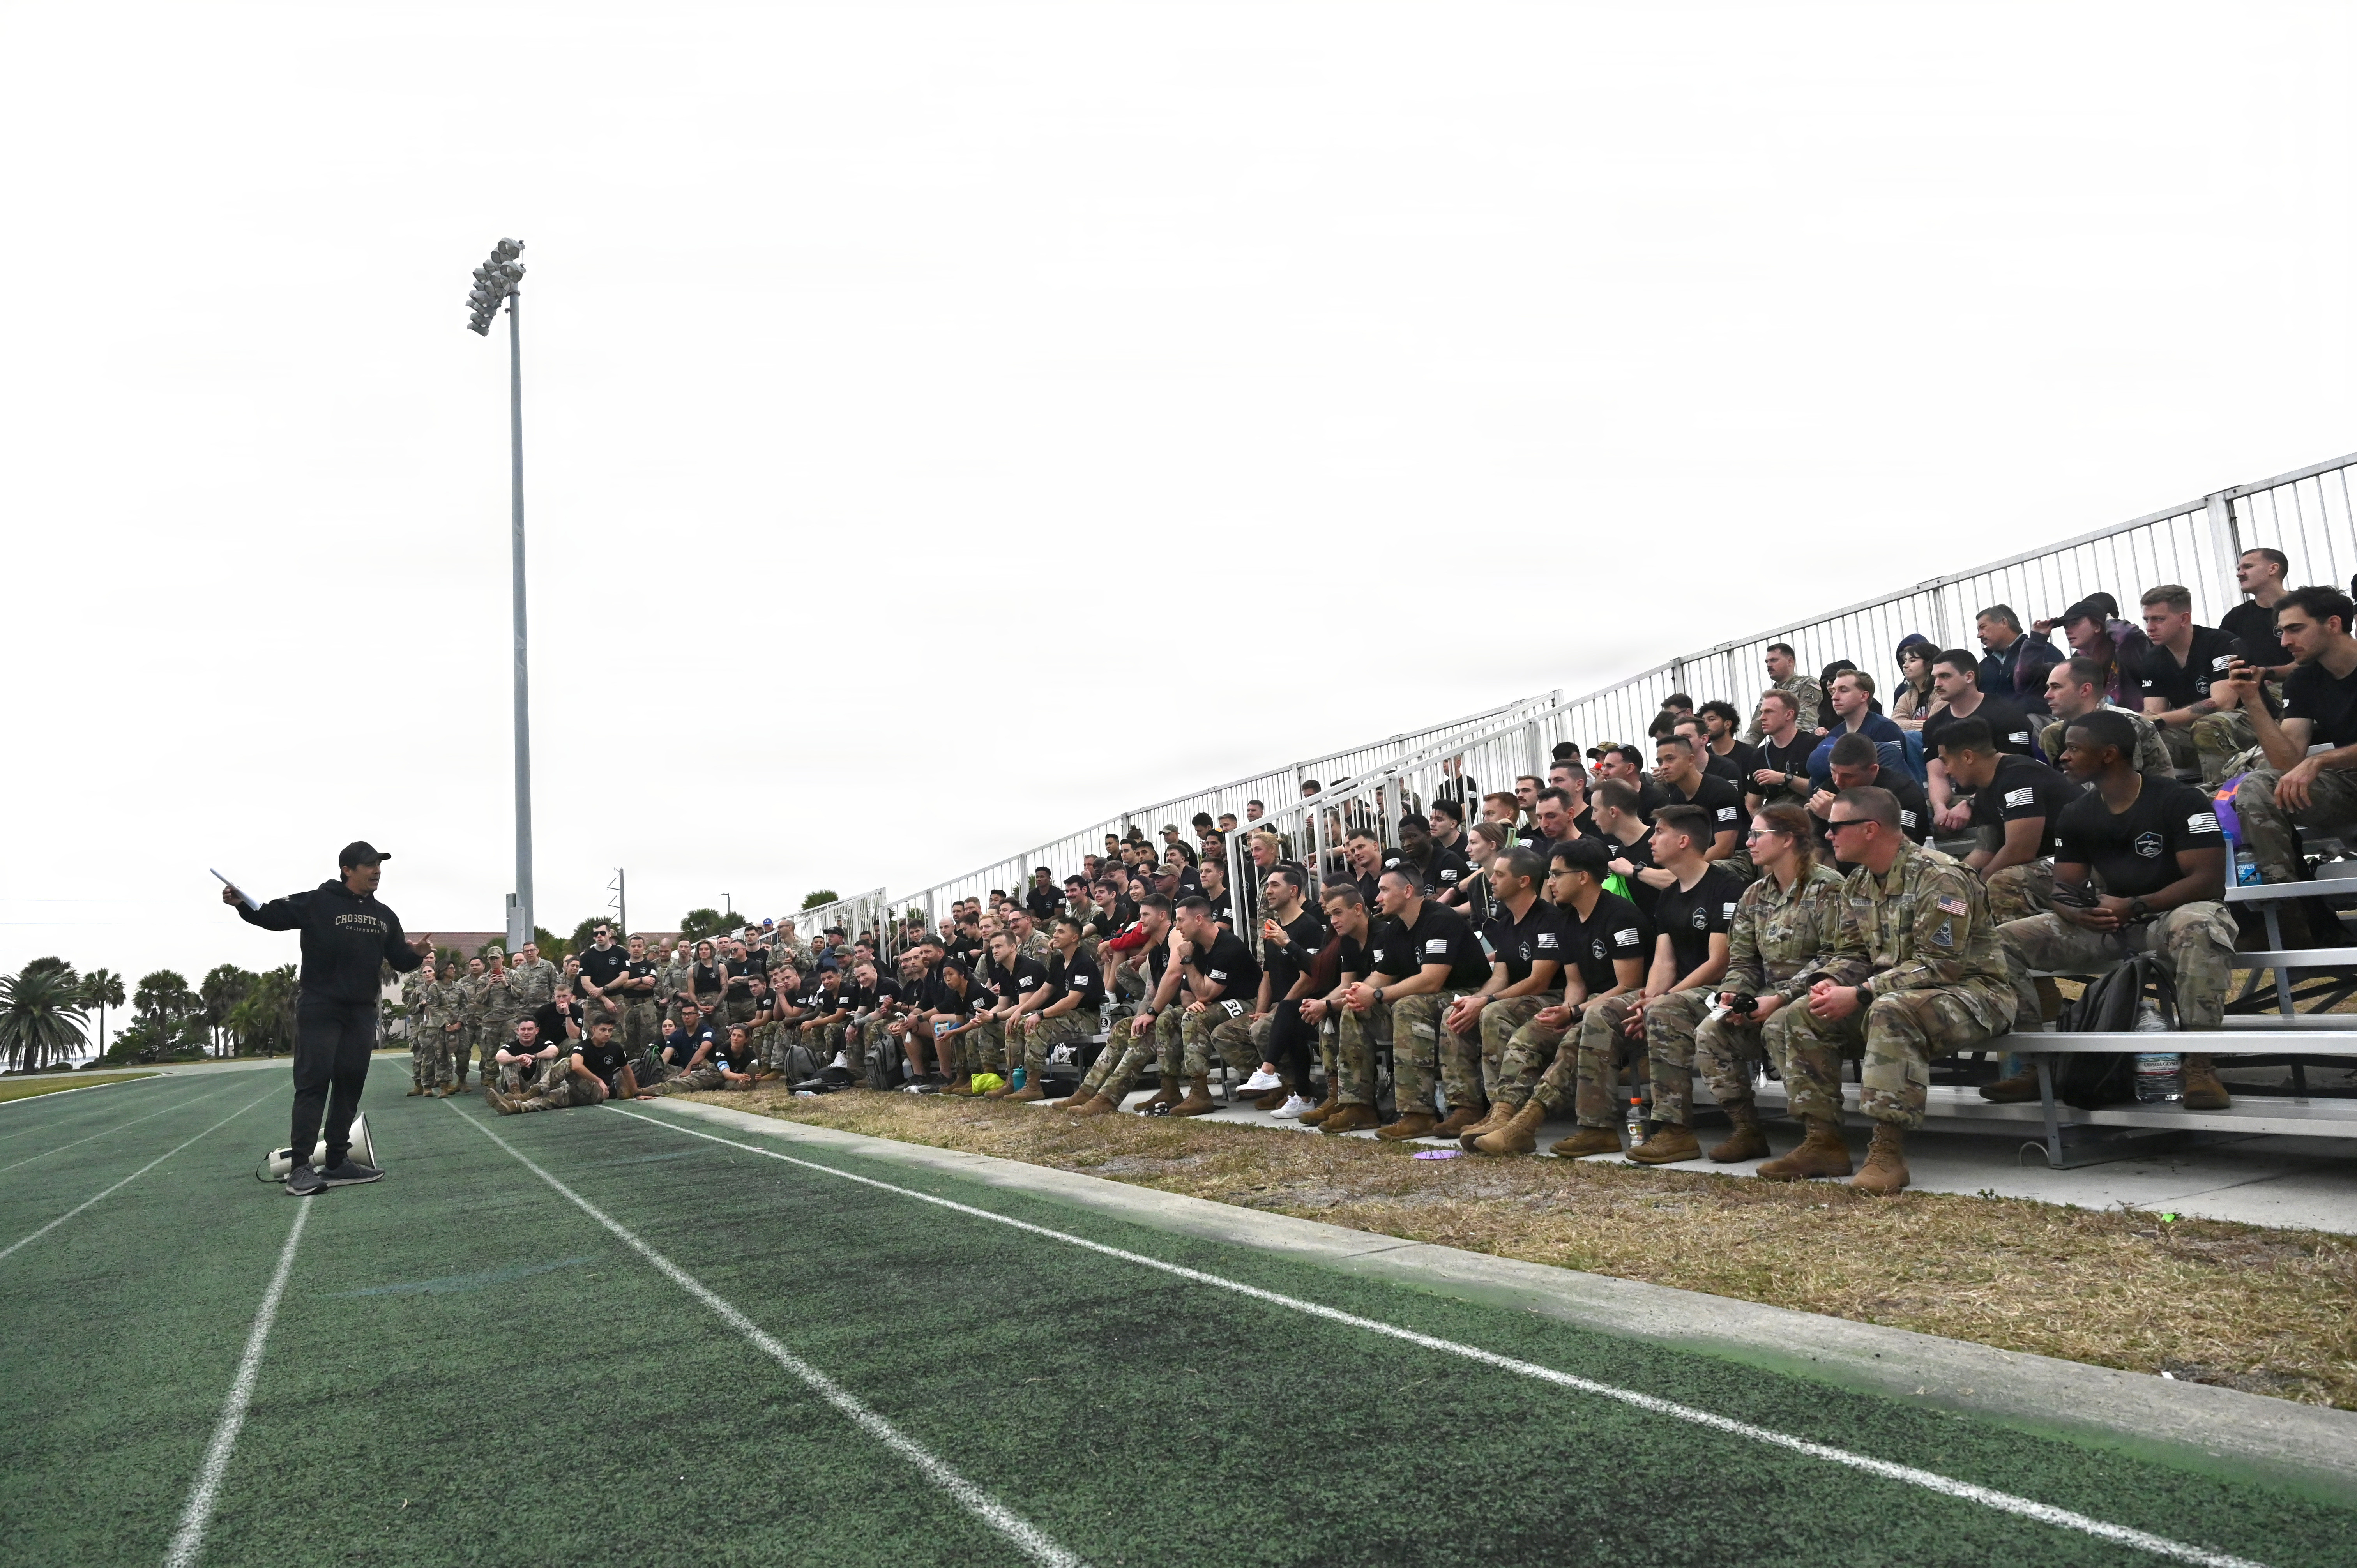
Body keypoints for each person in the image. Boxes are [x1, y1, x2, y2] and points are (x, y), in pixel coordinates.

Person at [1759, 788, 2015, 1193]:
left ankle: (1887, 1152)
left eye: (1837, 827)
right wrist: (1830, 981)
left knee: (1890, 1010)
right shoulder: (1858, 882)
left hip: (1974, 995)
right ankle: (1822, 1141)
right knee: (1794, 1016)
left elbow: (1941, 965)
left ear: (1870, 829)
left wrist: (1861, 992)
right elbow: (1854, 952)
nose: (1828, 836)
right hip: (1895, 993)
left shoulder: (1940, 876)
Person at [1992, 710, 2240, 1109]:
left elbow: (2208, 880)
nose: (2063, 758)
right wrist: (2078, 914)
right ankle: (2036, 1067)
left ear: (2109, 754)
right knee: (2003, 941)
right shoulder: (2077, 812)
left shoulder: (2180, 799)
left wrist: (2137, 904)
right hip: (2111, 921)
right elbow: (2065, 889)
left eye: (2073, 748)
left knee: (2201, 926)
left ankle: (2199, 1066)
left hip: (2171, 914)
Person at [223, 840, 422, 1197]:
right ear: (348, 869)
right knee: (313, 1083)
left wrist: (416, 955)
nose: (377, 871)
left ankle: (337, 1161)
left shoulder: (384, 916)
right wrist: (242, 905)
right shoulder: (318, 901)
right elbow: (271, 915)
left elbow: (401, 959)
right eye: (369, 865)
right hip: (321, 1007)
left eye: (379, 865)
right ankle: (301, 1167)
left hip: (361, 1012)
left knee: (350, 1084)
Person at [1552, 806, 1740, 1162]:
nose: (1651, 840)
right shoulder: (1669, 895)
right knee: (1605, 1010)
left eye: (1659, 833)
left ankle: (1676, 1131)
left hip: (1720, 990)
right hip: (1675, 993)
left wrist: (1661, 1000)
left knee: (1664, 1010)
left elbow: (1719, 962)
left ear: (1683, 841)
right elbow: (1664, 961)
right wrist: (1648, 998)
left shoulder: (1726, 887)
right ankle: (1597, 1128)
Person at [1680, 803, 1865, 1164]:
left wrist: (1779, 999)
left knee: (1785, 1021)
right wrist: (1736, 993)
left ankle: (1823, 1140)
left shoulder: (1829, 887)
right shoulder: (1754, 894)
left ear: (1788, 840)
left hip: (1818, 993)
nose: (1748, 843)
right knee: (1712, 1029)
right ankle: (1746, 1130)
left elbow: (1836, 957)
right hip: (1766, 996)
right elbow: (1743, 960)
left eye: (1757, 835)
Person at [1467, 838, 1647, 1155]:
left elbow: (1629, 985)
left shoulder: (1621, 915)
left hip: (1628, 1009)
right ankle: (1503, 1115)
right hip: (1587, 1006)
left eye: (1557, 874)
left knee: (1576, 1034)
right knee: (1529, 1035)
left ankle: (1532, 1125)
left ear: (1583, 877)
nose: (1549, 882)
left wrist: (1576, 1013)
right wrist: (1566, 1010)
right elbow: (1575, 982)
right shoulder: (1566, 919)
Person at [2224, 584, 2357, 915]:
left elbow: (2309, 763)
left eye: (2296, 629)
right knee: (2258, 785)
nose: (2284, 642)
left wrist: (2321, 761)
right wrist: (2253, 700)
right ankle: (2292, 912)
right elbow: (2287, 760)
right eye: (2281, 632)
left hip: (2342, 774)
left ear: (2334, 624)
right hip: (2348, 787)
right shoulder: (2305, 679)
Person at [1335, 868, 1490, 1139]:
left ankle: (1421, 1113)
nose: (1378, 898)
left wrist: (1379, 996)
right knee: (1355, 1010)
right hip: (1430, 998)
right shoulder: (1397, 928)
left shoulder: (1441, 919)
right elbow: (1382, 976)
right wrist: (1360, 992)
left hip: (1465, 993)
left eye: (1384, 891)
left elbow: (1432, 980)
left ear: (1408, 892)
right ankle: (1358, 1106)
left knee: (1408, 1006)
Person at [1433, 846, 1564, 1138]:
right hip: (1518, 998)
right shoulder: (1506, 922)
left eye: (1499, 875)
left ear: (1524, 881)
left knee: (1494, 1012)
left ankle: (1501, 1110)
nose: (1491, 880)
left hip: (1552, 998)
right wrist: (1476, 999)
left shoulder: (1549, 919)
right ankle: (1465, 1107)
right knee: (1455, 1013)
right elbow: (1500, 977)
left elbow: (1540, 980)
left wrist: (1488, 1002)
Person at [1935, 716, 2075, 923]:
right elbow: (1985, 850)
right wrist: (1954, 879)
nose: (1946, 771)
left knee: (2003, 883)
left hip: (2082, 861)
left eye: (1946, 761)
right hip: (2048, 862)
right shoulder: (1985, 789)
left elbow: (2021, 850)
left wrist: (1979, 884)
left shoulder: (2018, 776)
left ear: (1967, 757)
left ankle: (2019, 948)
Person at [2137, 584, 2257, 785]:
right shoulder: (2153, 659)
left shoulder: (2221, 643)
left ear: (2184, 619)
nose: (2150, 627)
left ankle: (2219, 801)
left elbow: (2222, 704)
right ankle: (2158, 806)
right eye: (2147, 620)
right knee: (2141, 738)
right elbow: (2153, 714)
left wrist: (2157, 720)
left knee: (2208, 726)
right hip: (2195, 730)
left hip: (2249, 722)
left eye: (2159, 619)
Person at [1923, 650, 2040, 830]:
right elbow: (1937, 775)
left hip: (2007, 796)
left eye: (1945, 676)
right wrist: (1940, 809)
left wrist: (1970, 804)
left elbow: (2014, 772)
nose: (1937, 684)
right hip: (1960, 799)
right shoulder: (1934, 724)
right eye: (1935, 678)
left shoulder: (2007, 714)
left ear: (1969, 677)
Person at [1170, 895, 1265, 1114]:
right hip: (1216, 1003)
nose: (1177, 927)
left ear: (1199, 920)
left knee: (1194, 1017)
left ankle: (1200, 1094)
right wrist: (1193, 1005)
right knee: (1169, 1017)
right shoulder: (1196, 947)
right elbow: (1186, 996)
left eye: (1181, 920)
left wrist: (1187, 961)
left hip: (1251, 1003)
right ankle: (1169, 1088)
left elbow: (1203, 993)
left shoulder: (1228, 946)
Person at [994, 916, 1103, 1102]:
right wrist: (1019, 1011)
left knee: (1038, 1027)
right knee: (1016, 1024)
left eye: (1062, 932)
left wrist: (1040, 1014)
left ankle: (1034, 1086)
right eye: (1056, 931)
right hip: (1070, 1015)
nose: (1055, 935)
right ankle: (1013, 1081)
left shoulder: (1084, 962)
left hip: (1089, 1017)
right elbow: (1044, 991)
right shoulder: (1059, 961)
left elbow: (1072, 1001)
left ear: (1075, 938)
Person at [2038, 655, 2173, 780]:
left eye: (2056, 687)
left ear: (2085, 690)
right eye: (2048, 688)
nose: (2047, 695)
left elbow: (2125, 788)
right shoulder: (2055, 734)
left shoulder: (2125, 724)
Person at [1808, 733, 1932, 857]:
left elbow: (1900, 848)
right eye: (1833, 771)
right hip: (1844, 869)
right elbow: (1817, 848)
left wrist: (1839, 815)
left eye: (1848, 776)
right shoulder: (1829, 789)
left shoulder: (1904, 792)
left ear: (1873, 770)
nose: (1838, 781)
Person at [493, 1015, 639, 1114]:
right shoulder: (583, 1046)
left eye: (610, 1031)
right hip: (577, 1090)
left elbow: (627, 1071)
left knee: (566, 1062)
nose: (607, 1034)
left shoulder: (616, 1048)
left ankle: (530, 1093)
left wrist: (637, 1092)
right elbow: (577, 1065)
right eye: (603, 1030)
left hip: (597, 1093)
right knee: (547, 1100)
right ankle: (515, 1107)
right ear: (594, 1029)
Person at [1652, 735, 1751, 880]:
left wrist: (1683, 869)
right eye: (1660, 762)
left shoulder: (1721, 791)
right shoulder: (1675, 799)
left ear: (1691, 760)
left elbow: (1725, 849)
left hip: (1740, 859)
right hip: (1698, 860)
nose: (1664, 767)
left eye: (1670, 759)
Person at [2220, 547, 2295, 680]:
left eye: (2248, 567)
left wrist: (2264, 673)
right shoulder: (2234, 618)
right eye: (2238, 569)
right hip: (2254, 695)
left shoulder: (2307, 607)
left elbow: (2318, 659)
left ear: (2273, 569)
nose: (2239, 574)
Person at [1975, 603, 2062, 715]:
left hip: (2037, 721)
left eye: (1983, 627)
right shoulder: (1982, 668)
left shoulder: (2043, 651)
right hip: (1994, 727)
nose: (1979, 635)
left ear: (2003, 623)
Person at [1746, 689, 1817, 812]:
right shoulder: (1759, 755)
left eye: (1769, 712)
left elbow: (1823, 790)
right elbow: (1752, 805)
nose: (1762, 718)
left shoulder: (1813, 744)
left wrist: (1786, 779)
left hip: (1811, 821)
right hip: (1776, 823)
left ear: (1789, 715)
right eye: (1761, 712)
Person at [1744, 643, 1824, 745]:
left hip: (1804, 746)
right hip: (1777, 747)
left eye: (1774, 660)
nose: (1769, 665)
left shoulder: (1808, 684)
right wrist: (1739, 753)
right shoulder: (1769, 696)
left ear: (1790, 661)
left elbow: (1806, 722)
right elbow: (1755, 732)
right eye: (1767, 662)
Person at [495, 1013, 564, 1097]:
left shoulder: (544, 1043)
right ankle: (516, 1094)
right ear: (518, 1031)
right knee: (509, 1063)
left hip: (539, 1085)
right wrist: (517, 1059)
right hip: (520, 1086)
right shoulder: (511, 1046)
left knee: (548, 1060)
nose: (526, 1033)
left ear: (537, 1031)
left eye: (530, 1029)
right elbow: (499, 1057)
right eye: (523, 1029)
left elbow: (554, 1051)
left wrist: (534, 1057)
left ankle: (546, 1092)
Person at [1888, 634, 1940, 728]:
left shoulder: (1941, 691)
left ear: (1929, 665)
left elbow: (1935, 725)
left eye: (1912, 661)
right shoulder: (1907, 696)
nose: (1905, 666)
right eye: (1905, 661)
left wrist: (1907, 726)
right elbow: (1894, 724)